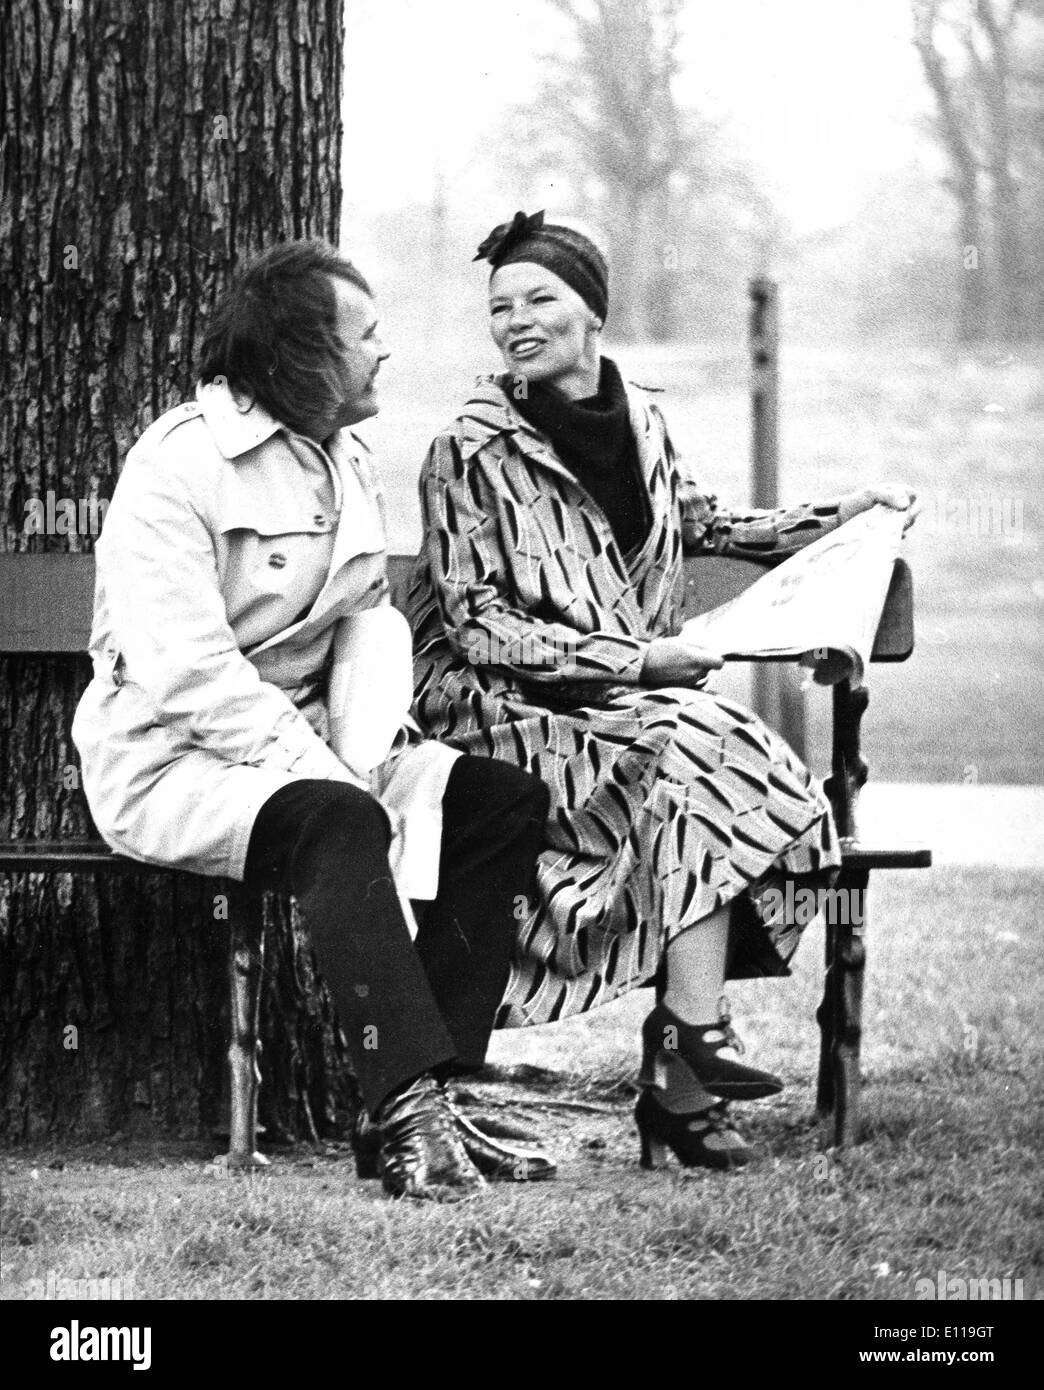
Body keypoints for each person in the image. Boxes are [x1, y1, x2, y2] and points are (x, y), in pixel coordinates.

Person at [407, 210, 917, 1170]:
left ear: (592, 312)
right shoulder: (464, 451)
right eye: (500, 307)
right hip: (496, 713)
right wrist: (635, 663)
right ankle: (686, 1063)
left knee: (726, 759)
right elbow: (479, 627)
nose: (517, 320)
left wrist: (835, 516)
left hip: (621, 710)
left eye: (540, 298)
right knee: (695, 752)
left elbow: (706, 526)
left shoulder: (643, 417)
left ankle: (686, 1055)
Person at [72, 240, 553, 1201]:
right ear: (299, 356)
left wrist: (380, 750)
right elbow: (187, 677)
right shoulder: (179, 466)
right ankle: (406, 1109)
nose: (387, 351)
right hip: (172, 761)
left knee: (500, 801)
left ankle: (437, 1099)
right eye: (366, 334)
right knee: (341, 820)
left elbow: (361, 630)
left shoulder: (347, 461)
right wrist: (325, 770)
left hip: (313, 746)